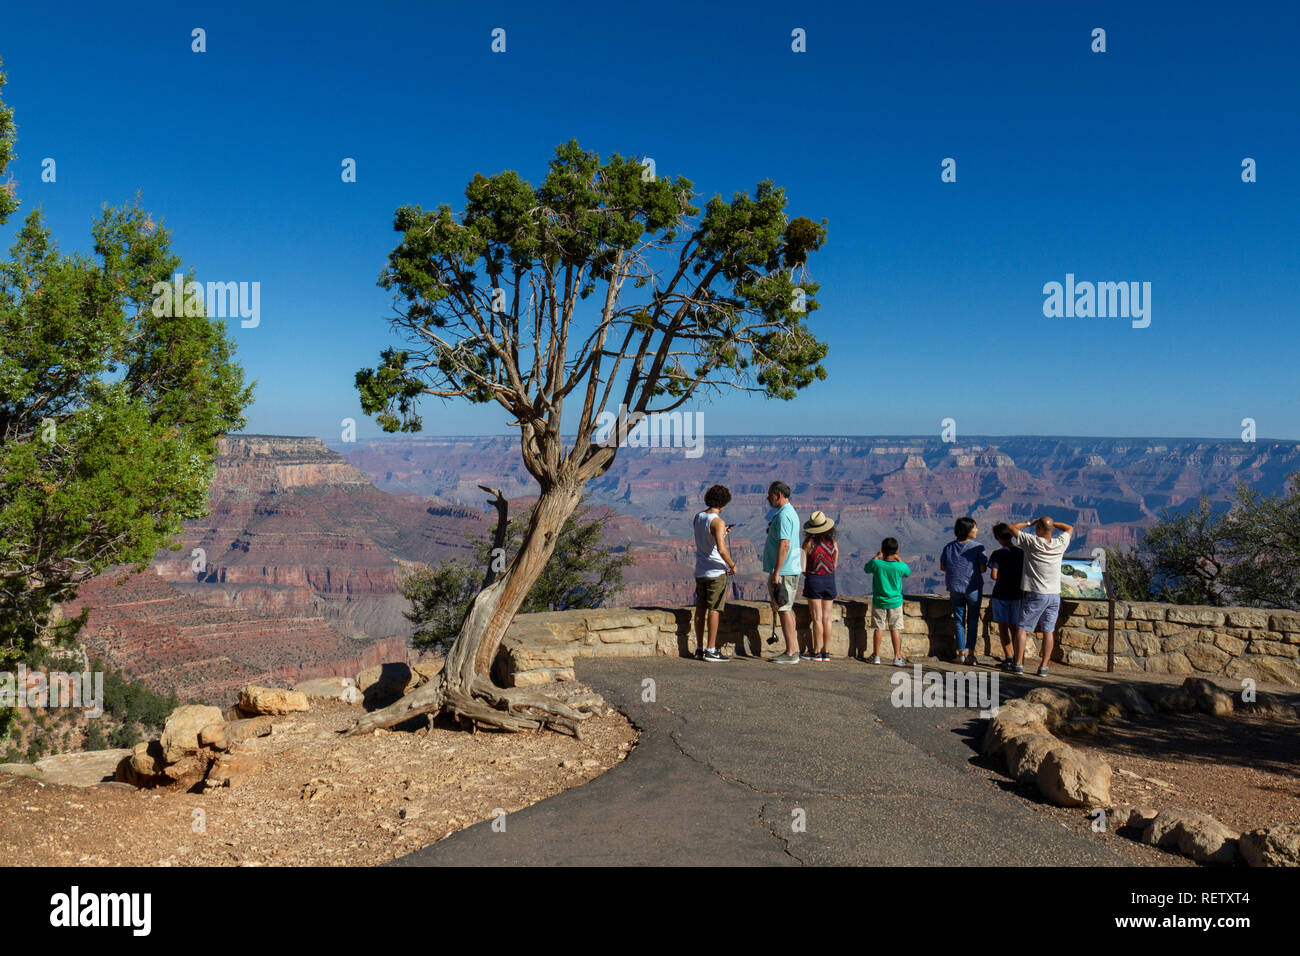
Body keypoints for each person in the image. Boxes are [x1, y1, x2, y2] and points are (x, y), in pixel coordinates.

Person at [1006, 516, 1075, 676]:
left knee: (1022, 628)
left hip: (1036, 593)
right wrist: (1052, 524)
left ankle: (1018, 664)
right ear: (1051, 530)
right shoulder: (1060, 543)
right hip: (1054, 594)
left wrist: (1031, 522)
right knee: (1048, 631)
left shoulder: (1032, 542)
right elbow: (1069, 528)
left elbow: (1012, 528)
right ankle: (1043, 667)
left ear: (1038, 530)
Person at [692, 485, 738, 662]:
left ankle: (699, 648)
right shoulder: (718, 522)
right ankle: (711, 649)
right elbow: (721, 549)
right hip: (716, 572)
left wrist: (722, 533)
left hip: (700, 570)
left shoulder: (698, 517)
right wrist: (732, 565)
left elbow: (706, 540)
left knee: (700, 609)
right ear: (723, 503)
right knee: (714, 609)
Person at [763, 481, 802, 663]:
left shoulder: (784, 515)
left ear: (778, 495)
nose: (767, 497)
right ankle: (793, 649)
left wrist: (777, 572)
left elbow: (784, 545)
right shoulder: (788, 512)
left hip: (784, 570)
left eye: (770, 494)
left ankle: (790, 653)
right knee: (787, 608)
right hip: (790, 567)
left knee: (784, 609)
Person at [940, 516, 987, 665]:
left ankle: (960, 654)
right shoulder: (978, 547)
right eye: (974, 527)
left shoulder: (948, 547)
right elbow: (982, 568)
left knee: (959, 621)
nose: (977, 530)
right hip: (973, 589)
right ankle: (971, 655)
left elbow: (943, 567)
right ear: (968, 531)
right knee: (972, 621)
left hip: (955, 588)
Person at [865, 537, 910, 666]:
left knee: (878, 628)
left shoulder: (877, 564)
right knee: (895, 629)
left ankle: (876, 656)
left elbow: (867, 568)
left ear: (882, 550)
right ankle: (897, 657)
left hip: (879, 601)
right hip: (895, 602)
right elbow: (907, 572)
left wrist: (876, 557)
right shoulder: (899, 566)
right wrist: (899, 559)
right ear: (896, 551)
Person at [800, 511, 838, 661]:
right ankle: (826, 652)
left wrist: (812, 572)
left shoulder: (808, 544)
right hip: (830, 580)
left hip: (814, 580)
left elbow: (802, 567)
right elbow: (834, 565)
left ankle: (815, 652)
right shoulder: (833, 543)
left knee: (817, 618)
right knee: (827, 618)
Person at [988, 523, 1024, 670]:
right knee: (1015, 627)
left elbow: (994, 575)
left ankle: (1008, 658)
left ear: (997, 538)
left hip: (1001, 594)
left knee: (1003, 627)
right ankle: (1018, 658)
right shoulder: (1021, 552)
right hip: (1017, 594)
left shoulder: (997, 554)